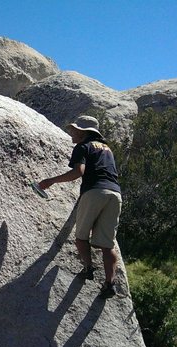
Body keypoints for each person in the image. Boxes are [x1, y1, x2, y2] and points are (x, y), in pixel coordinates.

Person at [38, 115, 121, 298]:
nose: (71, 133)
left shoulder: (82, 147)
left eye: (74, 130)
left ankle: (88, 269)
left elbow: (78, 172)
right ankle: (110, 284)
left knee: (81, 237)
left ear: (84, 132)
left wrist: (50, 181)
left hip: (94, 192)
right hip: (115, 194)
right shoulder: (107, 149)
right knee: (108, 245)